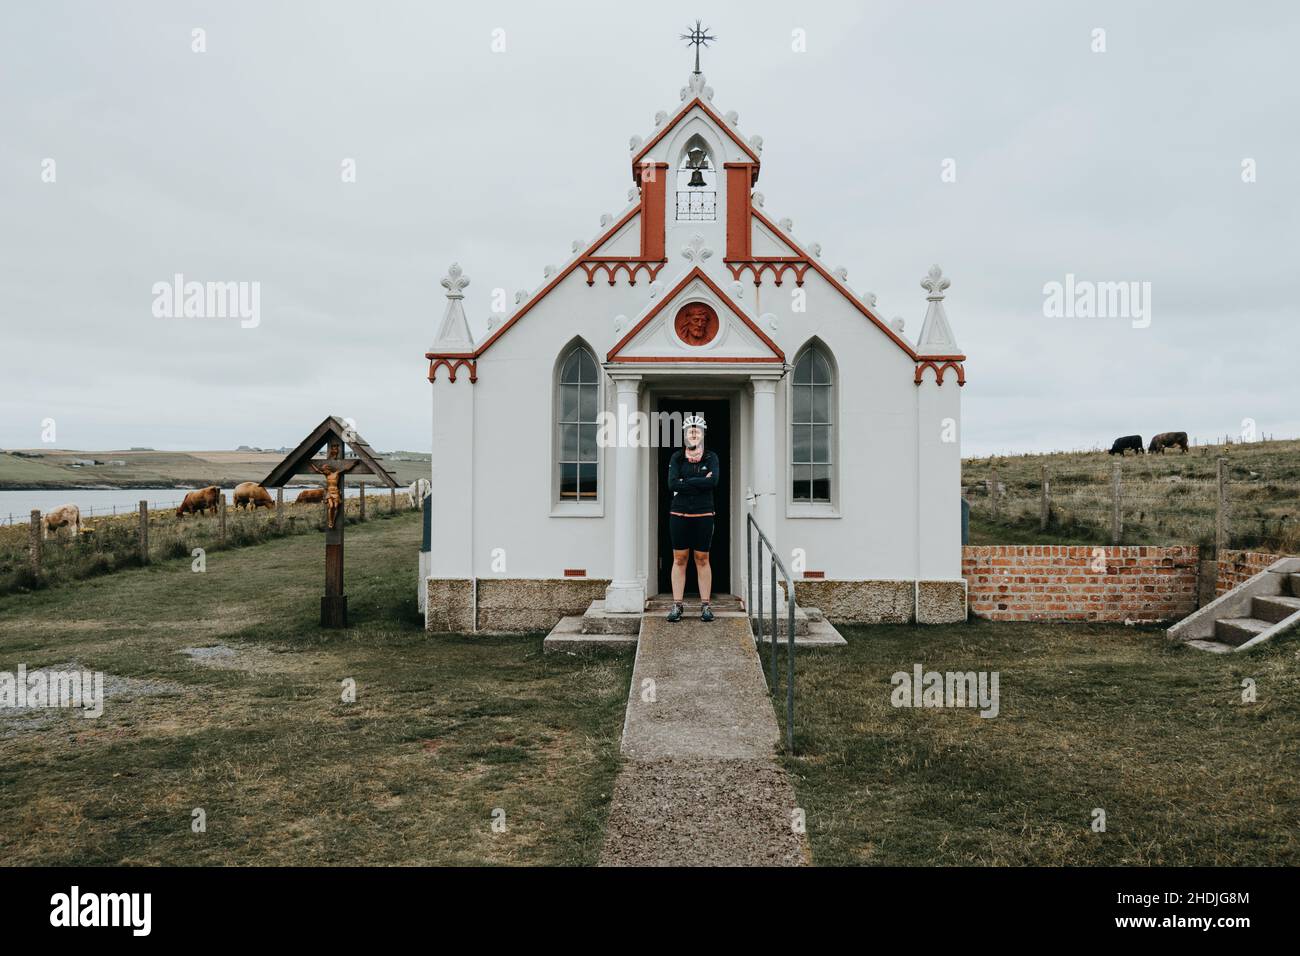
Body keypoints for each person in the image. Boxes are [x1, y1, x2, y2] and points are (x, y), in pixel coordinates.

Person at [666, 414, 719, 622]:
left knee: (702, 558)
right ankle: (677, 606)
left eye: (697, 432)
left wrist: (685, 481)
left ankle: (705, 606)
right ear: (685, 435)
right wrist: (699, 482)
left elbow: (713, 481)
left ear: (703, 435)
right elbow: (672, 484)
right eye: (690, 432)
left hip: (704, 514)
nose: (693, 435)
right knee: (679, 559)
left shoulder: (711, 457)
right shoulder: (676, 458)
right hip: (678, 514)